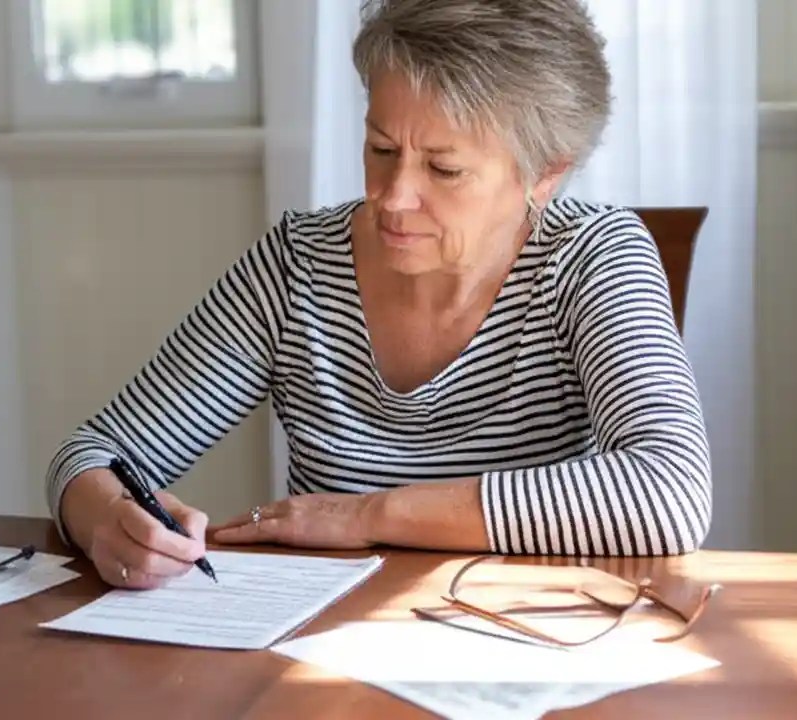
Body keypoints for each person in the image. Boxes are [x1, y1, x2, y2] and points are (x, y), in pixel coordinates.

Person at [46, 0, 712, 590]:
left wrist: (369, 514)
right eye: (381, 148)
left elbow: (669, 490)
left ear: (544, 174)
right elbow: (93, 455)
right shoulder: (296, 266)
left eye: (444, 168)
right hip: (315, 652)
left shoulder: (594, 256)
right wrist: (108, 518)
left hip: (525, 642)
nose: (392, 198)